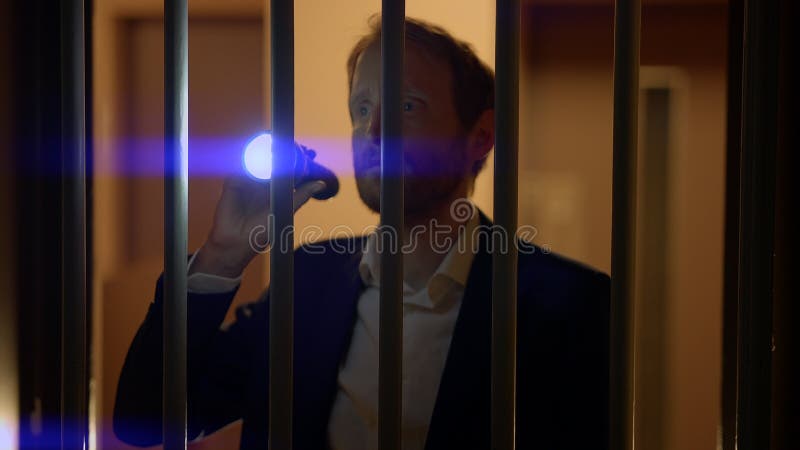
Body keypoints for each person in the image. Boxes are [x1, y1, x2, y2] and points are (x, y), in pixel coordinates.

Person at [113, 15, 609, 450]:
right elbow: (144, 420)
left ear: (479, 136)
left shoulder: (568, 305)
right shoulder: (306, 282)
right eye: (362, 109)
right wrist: (223, 255)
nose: (374, 134)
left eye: (408, 106)